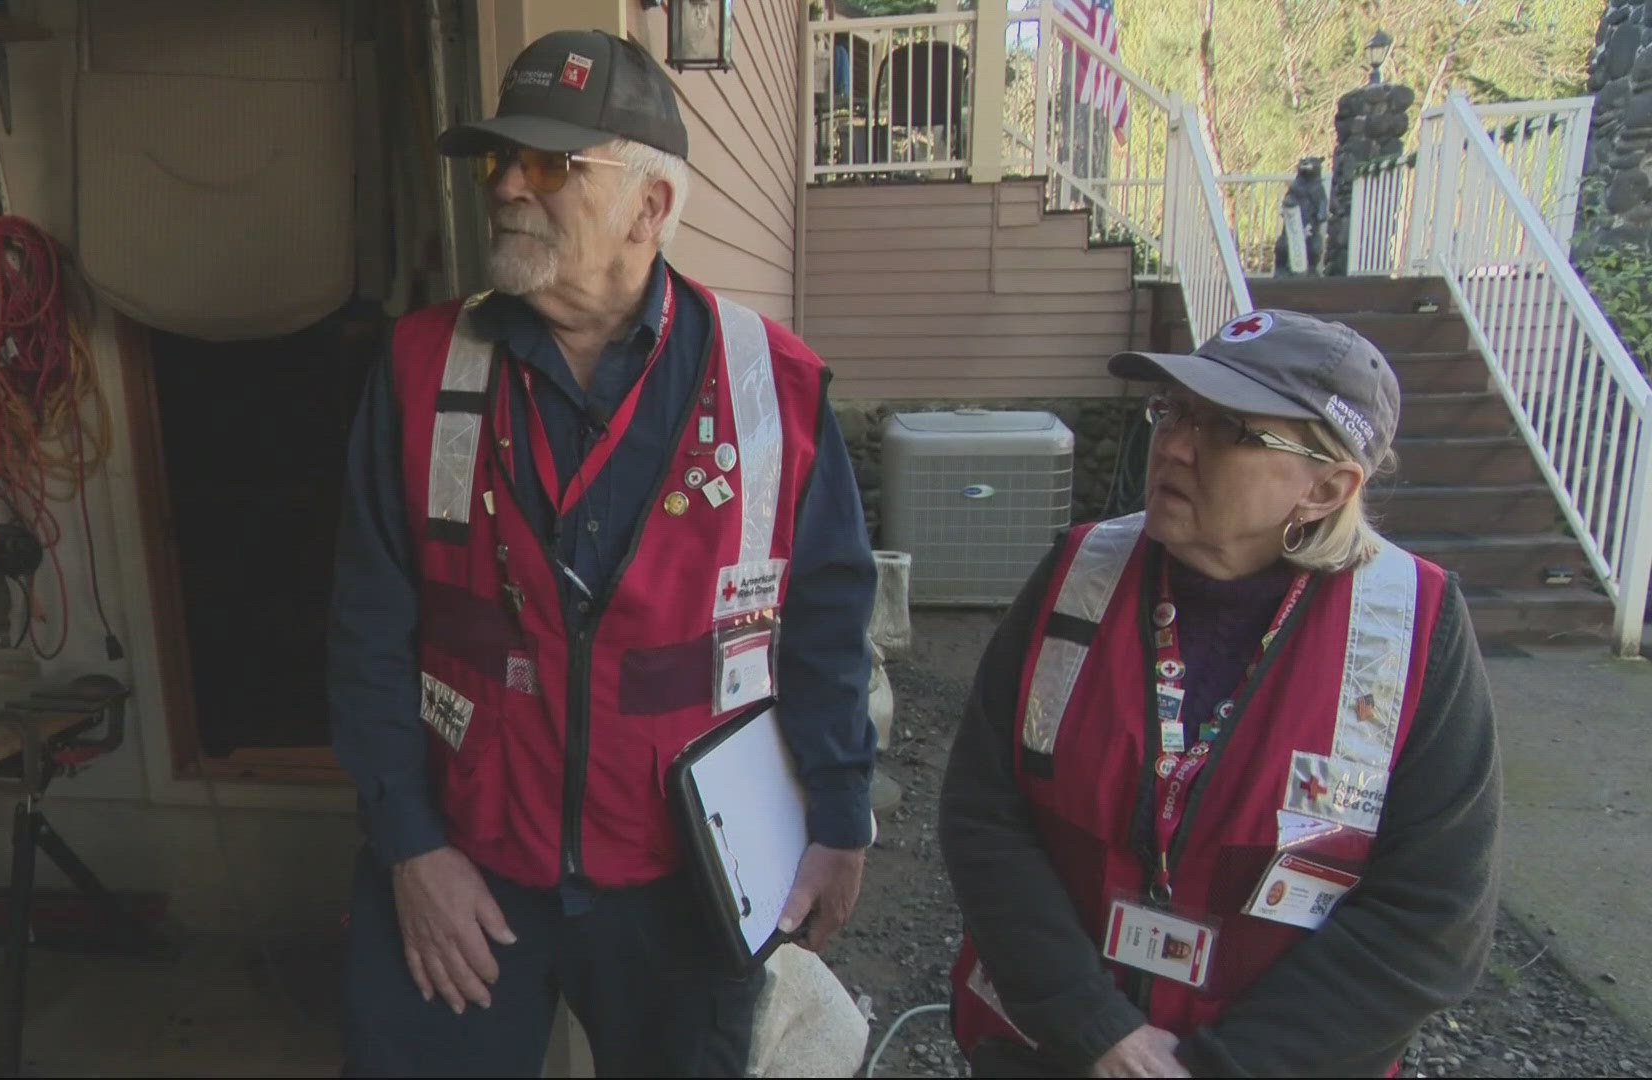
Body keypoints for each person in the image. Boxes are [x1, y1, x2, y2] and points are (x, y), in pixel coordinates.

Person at [328, 30, 877, 1078]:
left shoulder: (775, 387)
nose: (505, 187)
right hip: (468, 872)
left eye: (550, 164)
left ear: (651, 207)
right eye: (499, 159)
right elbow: (367, 624)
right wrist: (407, 844)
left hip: (685, 890)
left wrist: (841, 815)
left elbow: (828, 621)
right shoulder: (418, 366)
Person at [940, 309, 1501, 1076]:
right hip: (1048, 1047)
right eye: (1174, 412)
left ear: (1327, 487)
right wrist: (1095, 1029)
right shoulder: (1079, 575)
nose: (1172, 445)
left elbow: (1432, 915)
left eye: (1230, 430)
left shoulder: (1412, 629)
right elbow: (984, 812)